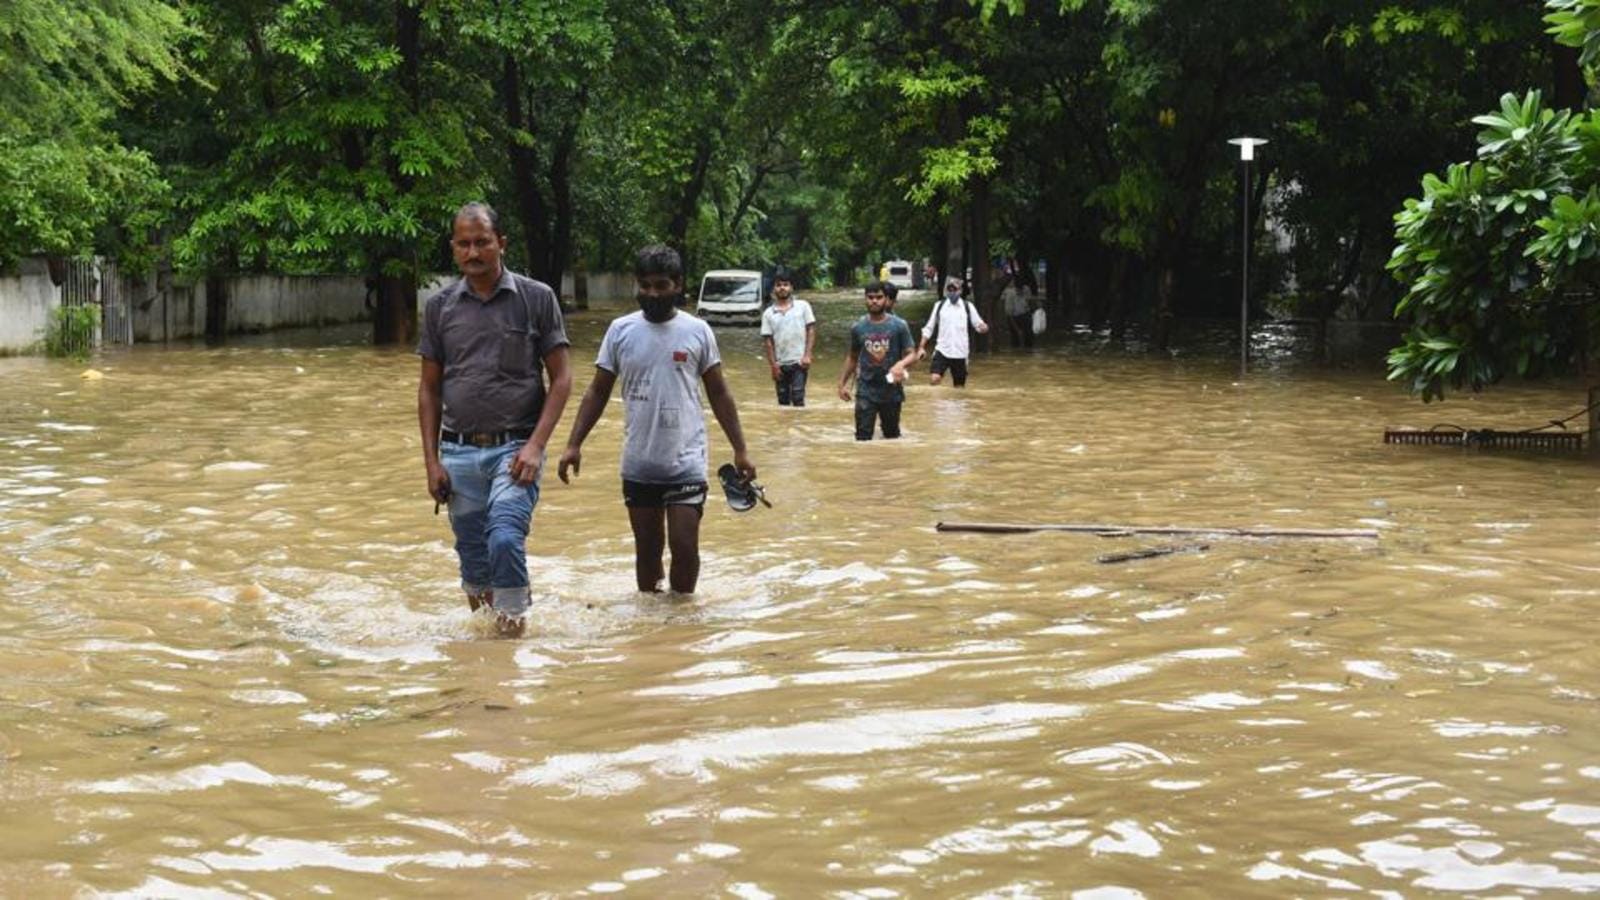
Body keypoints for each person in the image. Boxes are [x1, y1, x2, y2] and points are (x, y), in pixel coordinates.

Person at [557, 245, 756, 595]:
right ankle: (650, 628)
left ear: (678, 285)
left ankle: (682, 619)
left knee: (685, 548)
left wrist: (741, 449)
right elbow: (597, 392)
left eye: (661, 285)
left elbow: (720, 393)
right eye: (645, 285)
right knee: (647, 553)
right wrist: (574, 443)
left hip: (686, 461)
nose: (651, 293)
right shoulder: (620, 331)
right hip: (640, 462)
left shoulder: (698, 331)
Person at [417, 202, 573, 638]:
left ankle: (510, 640)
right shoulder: (440, 307)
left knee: (504, 538)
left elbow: (561, 379)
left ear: (501, 243)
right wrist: (431, 461)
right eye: (464, 244)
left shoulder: (536, 298)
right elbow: (428, 389)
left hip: (516, 448)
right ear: (453, 249)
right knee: (473, 556)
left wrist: (537, 446)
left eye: (482, 242)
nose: (473, 252)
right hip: (458, 451)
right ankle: (486, 656)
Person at [837, 280, 916, 440]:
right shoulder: (858, 327)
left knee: (892, 437)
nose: (874, 301)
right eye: (870, 297)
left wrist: (901, 364)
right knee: (862, 438)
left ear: (886, 299)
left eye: (879, 297)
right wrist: (842, 384)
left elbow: (912, 354)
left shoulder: (899, 325)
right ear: (865, 299)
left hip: (891, 390)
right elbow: (852, 357)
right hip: (866, 389)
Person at [917, 277, 989, 387]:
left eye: (954, 290)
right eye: (949, 290)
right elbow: (929, 328)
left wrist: (983, 327)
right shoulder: (939, 306)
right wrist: (921, 347)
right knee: (935, 379)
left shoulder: (967, 307)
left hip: (960, 352)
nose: (951, 292)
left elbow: (978, 325)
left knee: (959, 388)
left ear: (960, 291)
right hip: (942, 350)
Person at [759, 266, 816, 406]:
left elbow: (811, 330)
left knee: (798, 397)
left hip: (799, 362)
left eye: (785, 285)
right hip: (780, 364)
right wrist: (773, 366)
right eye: (778, 285)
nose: (782, 288)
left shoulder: (803, 306)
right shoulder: (768, 313)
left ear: (791, 287)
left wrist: (807, 355)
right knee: (782, 401)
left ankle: (798, 426)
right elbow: (768, 342)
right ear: (773, 289)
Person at [1001, 271, 1035, 349]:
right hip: (1014, 318)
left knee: (1029, 339)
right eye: (1019, 288)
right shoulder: (1010, 295)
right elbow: (1009, 316)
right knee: (1015, 341)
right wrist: (1017, 330)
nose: (1021, 290)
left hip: (1026, 316)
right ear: (1016, 287)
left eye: (1022, 287)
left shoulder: (1026, 289)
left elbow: (1029, 304)